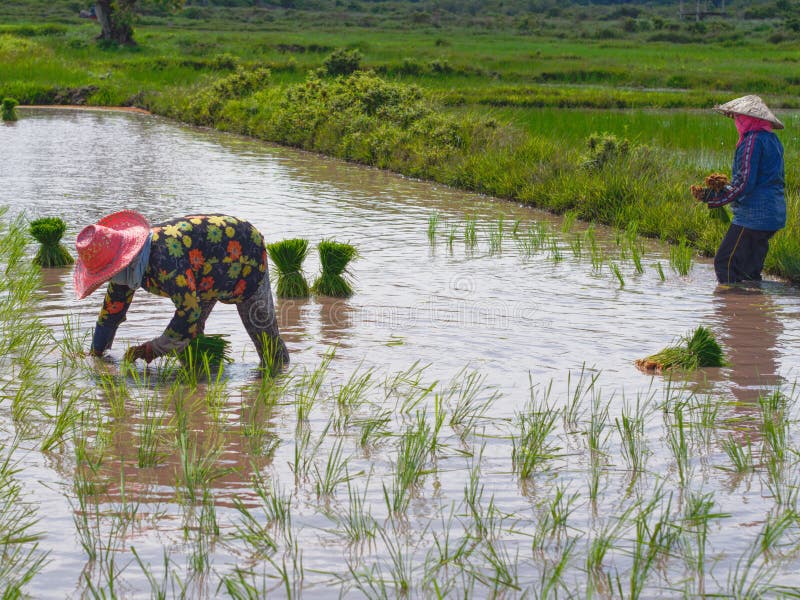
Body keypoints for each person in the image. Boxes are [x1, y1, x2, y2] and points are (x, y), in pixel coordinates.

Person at [74, 210, 289, 368]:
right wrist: (96, 354)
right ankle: (200, 392)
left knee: (267, 341)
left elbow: (189, 311)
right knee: (192, 344)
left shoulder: (164, 260)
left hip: (243, 252)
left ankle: (278, 383)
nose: (108, 280)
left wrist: (154, 348)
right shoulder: (126, 270)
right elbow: (111, 313)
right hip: (200, 270)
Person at [693, 95, 786, 284]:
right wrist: (722, 190)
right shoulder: (772, 140)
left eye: (738, 118)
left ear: (746, 119)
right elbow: (760, 179)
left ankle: (731, 307)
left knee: (725, 263)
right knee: (749, 272)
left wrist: (714, 197)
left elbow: (744, 183)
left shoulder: (752, 141)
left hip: (754, 216)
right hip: (773, 214)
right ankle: (753, 308)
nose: (737, 121)